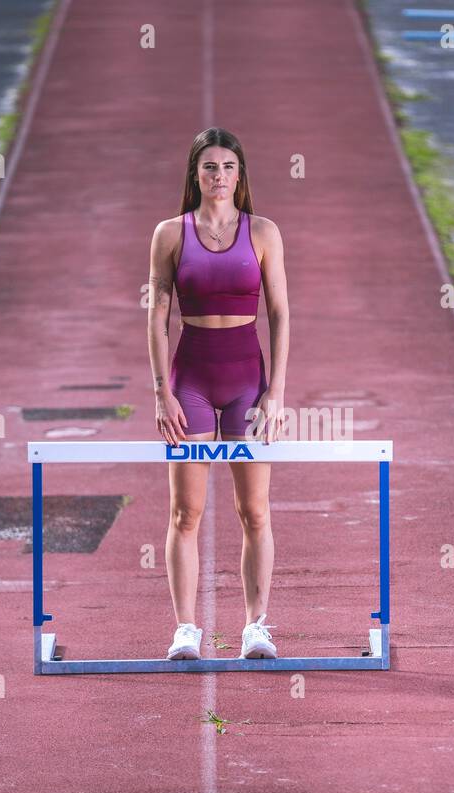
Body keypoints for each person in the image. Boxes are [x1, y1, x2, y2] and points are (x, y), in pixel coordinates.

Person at [146, 128, 290, 661]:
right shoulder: (170, 233)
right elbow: (157, 316)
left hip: (246, 383)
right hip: (192, 382)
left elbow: (279, 313)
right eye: (210, 167)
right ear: (195, 174)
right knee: (186, 512)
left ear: (240, 175)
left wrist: (276, 392)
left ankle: (257, 626)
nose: (220, 176)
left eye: (229, 167)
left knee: (254, 510)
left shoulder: (264, 233)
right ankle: (186, 628)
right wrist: (163, 393)